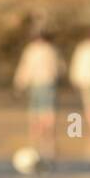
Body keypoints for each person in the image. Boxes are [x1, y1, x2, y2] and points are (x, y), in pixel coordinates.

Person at [13, 28, 62, 160]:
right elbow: (59, 67)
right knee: (48, 108)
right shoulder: (51, 49)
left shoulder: (30, 50)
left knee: (35, 109)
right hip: (48, 82)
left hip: (35, 82)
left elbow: (24, 67)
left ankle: (36, 135)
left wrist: (20, 83)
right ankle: (49, 134)